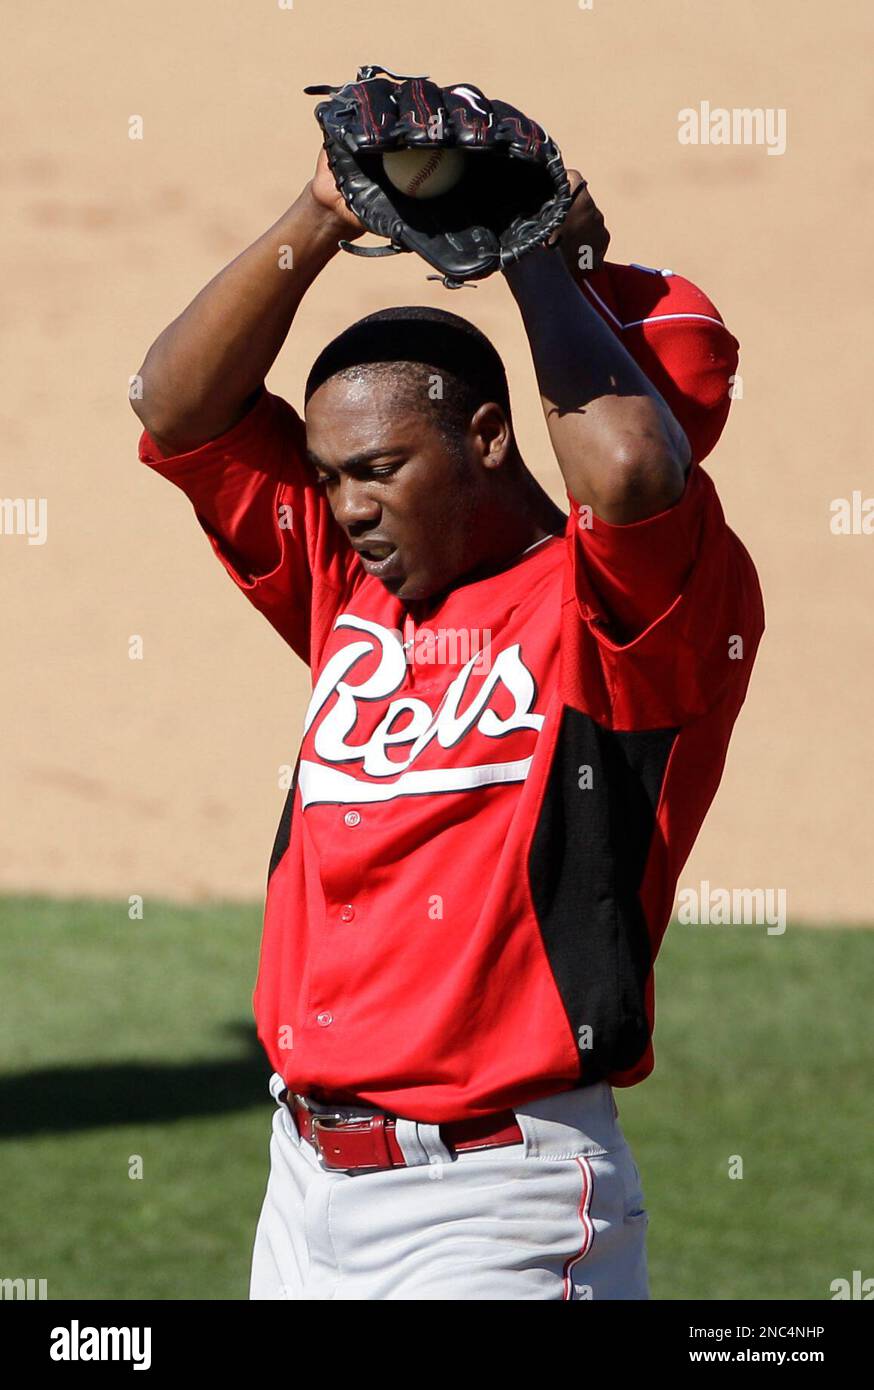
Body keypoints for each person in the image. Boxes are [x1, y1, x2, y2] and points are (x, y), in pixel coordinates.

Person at [131, 147, 764, 1300]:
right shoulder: (364, 565)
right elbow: (172, 406)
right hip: (304, 1186)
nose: (349, 505)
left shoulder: (643, 614)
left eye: (371, 471)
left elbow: (624, 471)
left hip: (492, 1206)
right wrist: (319, 212)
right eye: (337, 479)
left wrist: (526, 254)